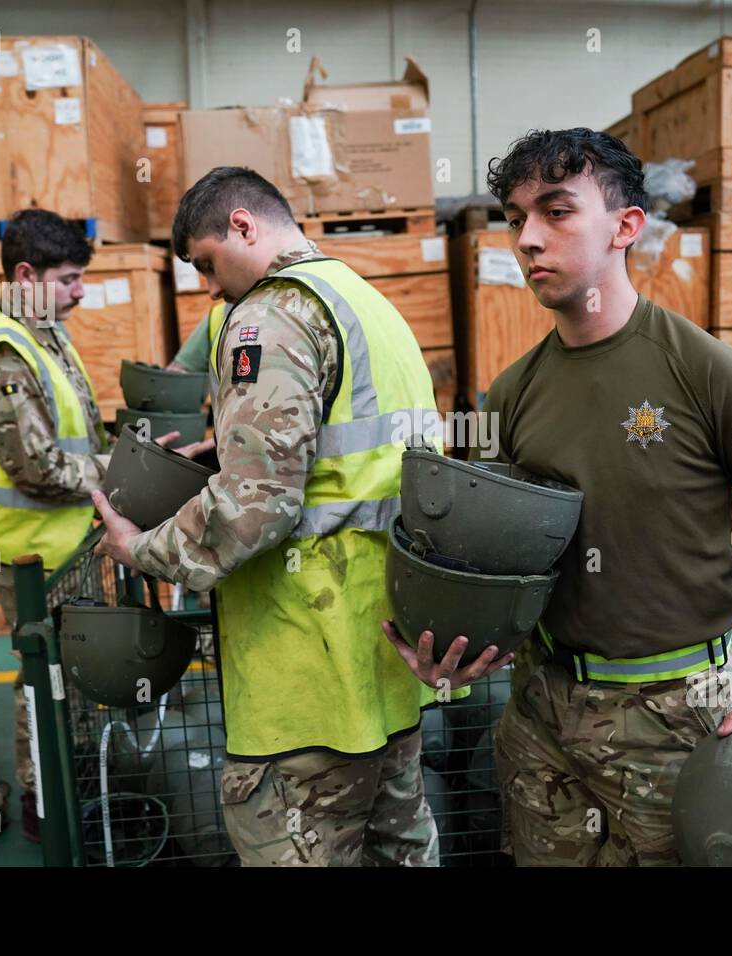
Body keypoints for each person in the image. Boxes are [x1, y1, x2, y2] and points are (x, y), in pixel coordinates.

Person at [384, 128, 732, 866]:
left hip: (678, 714)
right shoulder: (512, 390)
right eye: (516, 217)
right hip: (541, 711)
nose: (527, 239)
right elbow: (505, 555)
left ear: (626, 226)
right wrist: (464, 646)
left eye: (556, 212)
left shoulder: (704, 370)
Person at [91, 167, 492, 866]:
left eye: (209, 264)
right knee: (397, 844)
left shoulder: (268, 315)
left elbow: (257, 508)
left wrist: (143, 548)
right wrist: (229, 446)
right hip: (382, 648)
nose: (210, 288)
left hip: (302, 664)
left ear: (244, 224)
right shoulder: (364, 301)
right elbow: (352, 452)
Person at [0, 209, 111, 842]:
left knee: (72, 681)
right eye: (70, 278)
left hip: (64, 547)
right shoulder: (5, 354)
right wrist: (118, 473)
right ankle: (45, 807)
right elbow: (39, 469)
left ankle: (76, 788)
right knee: (44, 680)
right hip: (29, 560)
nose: (80, 291)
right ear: (26, 275)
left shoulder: (44, 331)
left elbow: (70, 432)